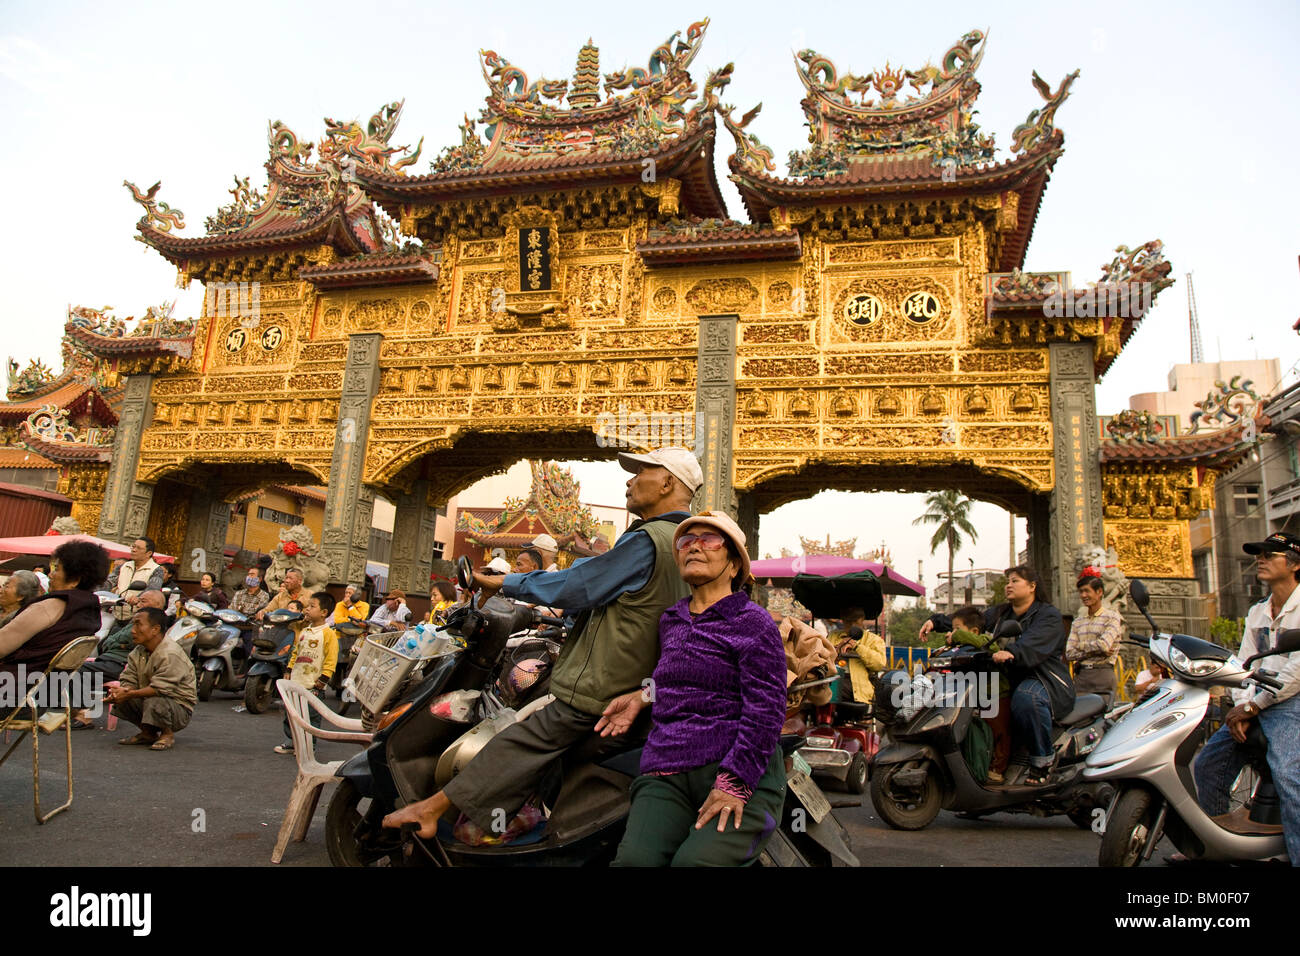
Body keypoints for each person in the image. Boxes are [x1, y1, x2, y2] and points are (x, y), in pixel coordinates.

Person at [383, 444, 701, 839]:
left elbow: (578, 584)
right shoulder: (688, 540)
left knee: (523, 735)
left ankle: (433, 810)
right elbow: (617, 592)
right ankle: (518, 817)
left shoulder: (647, 539)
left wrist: (503, 582)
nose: (630, 481)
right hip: (643, 682)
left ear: (668, 481)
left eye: (641, 473)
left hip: (606, 684)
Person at [597, 511, 786, 866]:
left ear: (733, 565)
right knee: (633, 862)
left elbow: (766, 711)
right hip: (667, 768)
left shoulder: (752, 623)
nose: (695, 546)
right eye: (687, 541)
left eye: (710, 541)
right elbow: (677, 678)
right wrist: (643, 696)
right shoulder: (671, 619)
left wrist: (733, 782)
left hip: (739, 767)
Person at [1193, 531, 1300, 864]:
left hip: (1291, 703)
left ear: (1295, 563)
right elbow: (1243, 665)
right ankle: (1217, 851)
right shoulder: (1257, 612)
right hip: (1256, 703)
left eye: (1271, 554)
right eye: (1260, 554)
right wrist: (1242, 706)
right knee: (1208, 765)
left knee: (1289, 777)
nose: (1262, 559)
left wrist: (1254, 706)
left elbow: (1296, 673)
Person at [921, 565, 1072, 785]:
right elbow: (973, 622)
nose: (1009, 585)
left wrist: (1011, 652)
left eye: (1015, 581)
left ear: (1032, 586)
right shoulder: (1001, 613)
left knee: (1026, 698)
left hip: (1042, 679)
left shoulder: (1048, 615)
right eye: (1008, 581)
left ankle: (1043, 760)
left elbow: (1034, 643)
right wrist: (936, 622)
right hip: (1006, 678)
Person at [0, 540, 109, 682]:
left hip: (14, 682)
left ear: (74, 579)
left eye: (57, 569)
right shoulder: (90, 608)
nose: (50, 575)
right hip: (48, 687)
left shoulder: (49, 606)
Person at [72, 588, 169, 729]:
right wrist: (116, 642)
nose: (138, 604)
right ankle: (76, 712)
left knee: (75, 671)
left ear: (158, 605)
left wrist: (115, 642)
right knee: (69, 668)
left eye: (143, 601)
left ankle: (84, 715)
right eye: (139, 601)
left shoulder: (153, 625)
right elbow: (110, 640)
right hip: (108, 660)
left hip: (121, 664)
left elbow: (126, 639)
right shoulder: (137, 619)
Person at [106, 605, 197, 751]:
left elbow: (161, 688)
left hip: (177, 707)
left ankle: (167, 734)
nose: (133, 630)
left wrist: (130, 693)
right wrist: (122, 691)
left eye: (138, 625)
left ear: (155, 629)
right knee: (123, 698)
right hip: (150, 697)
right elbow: (129, 678)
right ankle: (148, 733)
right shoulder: (138, 651)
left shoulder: (170, 653)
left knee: (155, 699)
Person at [947, 604, 1013, 783]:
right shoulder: (962, 648)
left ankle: (997, 770)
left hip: (997, 695)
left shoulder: (985, 639)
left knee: (999, 732)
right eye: (953, 630)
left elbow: (987, 646)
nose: (953, 633)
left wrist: (958, 636)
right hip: (975, 697)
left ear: (974, 631)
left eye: (957, 629)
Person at [274, 591, 340, 755]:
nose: (307, 610)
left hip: (313, 684)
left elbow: (331, 659)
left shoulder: (328, 634)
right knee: (291, 713)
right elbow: (295, 653)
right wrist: (289, 670)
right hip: (296, 681)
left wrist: (324, 679)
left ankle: (309, 745)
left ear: (324, 612)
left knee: (311, 717)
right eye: (307, 606)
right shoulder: (304, 632)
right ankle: (291, 742)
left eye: (312, 606)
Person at [1065, 569, 1123, 705]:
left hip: (1103, 674)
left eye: (1087, 591)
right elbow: (1069, 653)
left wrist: (1081, 646)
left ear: (1099, 592)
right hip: (1082, 677)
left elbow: (1104, 645)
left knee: (1103, 720)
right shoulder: (1078, 622)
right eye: (1081, 592)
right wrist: (1096, 649)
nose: (1083, 595)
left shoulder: (1112, 617)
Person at [115, 537, 165, 603]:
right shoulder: (124, 566)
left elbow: (152, 590)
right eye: (133, 546)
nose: (133, 550)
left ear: (149, 553)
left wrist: (138, 598)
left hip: (138, 610)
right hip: (116, 609)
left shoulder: (157, 570)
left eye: (138, 548)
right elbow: (109, 582)